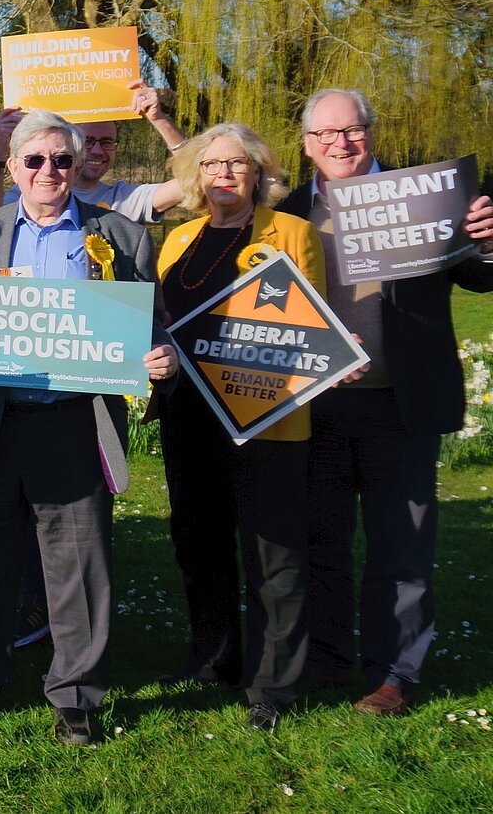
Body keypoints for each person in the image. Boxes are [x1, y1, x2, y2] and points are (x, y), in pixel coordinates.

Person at [0, 110, 177, 747]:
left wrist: (160, 355)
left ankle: (76, 696)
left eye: (61, 161)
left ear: (78, 166)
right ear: (12, 167)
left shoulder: (120, 235)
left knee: (79, 568)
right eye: (34, 160)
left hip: (75, 422)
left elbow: (152, 324)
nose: (49, 172)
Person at [279, 89, 493, 716]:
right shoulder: (285, 213)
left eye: (352, 130)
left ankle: (393, 673)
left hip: (401, 405)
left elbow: (483, 277)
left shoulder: (424, 198)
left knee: (401, 544)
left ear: (370, 133)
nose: (339, 144)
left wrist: (485, 240)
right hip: (312, 408)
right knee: (320, 539)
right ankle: (325, 657)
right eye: (324, 134)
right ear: (306, 144)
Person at [150, 123, 324, 731]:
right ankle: (214, 658)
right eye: (212, 165)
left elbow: (311, 325)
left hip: (264, 417)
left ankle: (274, 684)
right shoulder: (177, 240)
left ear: (259, 173)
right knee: (198, 541)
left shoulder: (293, 234)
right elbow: (160, 320)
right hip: (189, 414)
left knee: (272, 550)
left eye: (237, 164)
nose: (223, 174)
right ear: (196, 176)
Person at [0, 84, 187, 220]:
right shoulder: (30, 193)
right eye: (88, 141)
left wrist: (158, 119)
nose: (97, 150)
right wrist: (1, 151)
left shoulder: (124, 199)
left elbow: (194, 180)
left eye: (106, 142)